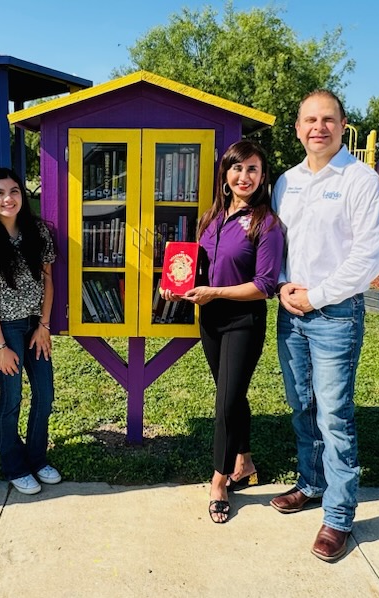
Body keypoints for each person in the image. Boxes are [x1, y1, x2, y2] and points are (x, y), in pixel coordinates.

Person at [271, 90, 379, 560]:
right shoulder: (287, 181)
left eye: (327, 119)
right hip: (290, 312)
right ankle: (312, 481)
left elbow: (368, 256)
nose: (317, 127)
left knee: (334, 416)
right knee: (301, 406)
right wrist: (282, 286)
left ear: (343, 126)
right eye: (309, 120)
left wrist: (316, 295)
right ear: (298, 128)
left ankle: (338, 515)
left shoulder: (361, 181)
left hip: (335, 315)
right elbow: (276, 244)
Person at [161, 140, 285, 524]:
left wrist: (213, 292)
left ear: (263, 176)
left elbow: (264, 285)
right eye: (236, 168)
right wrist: (175, 284)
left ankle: (219, 480)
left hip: (242, 321)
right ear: (225, 174)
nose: (243, 176)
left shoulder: (267, 224)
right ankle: (244, 460)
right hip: (210, 321)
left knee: (225, 403)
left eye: (252, 169)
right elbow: (197, 267)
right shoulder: (212, 217)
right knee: (231, 396)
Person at [0, 168, 62, 496]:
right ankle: (14, 465)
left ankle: (37, 459)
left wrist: (44, 325)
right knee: (11, 397)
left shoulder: (37, 230)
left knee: (45, 394)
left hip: (34, 324)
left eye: (14, 191)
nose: (8, 198)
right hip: (5, 328)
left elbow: (48, 280)